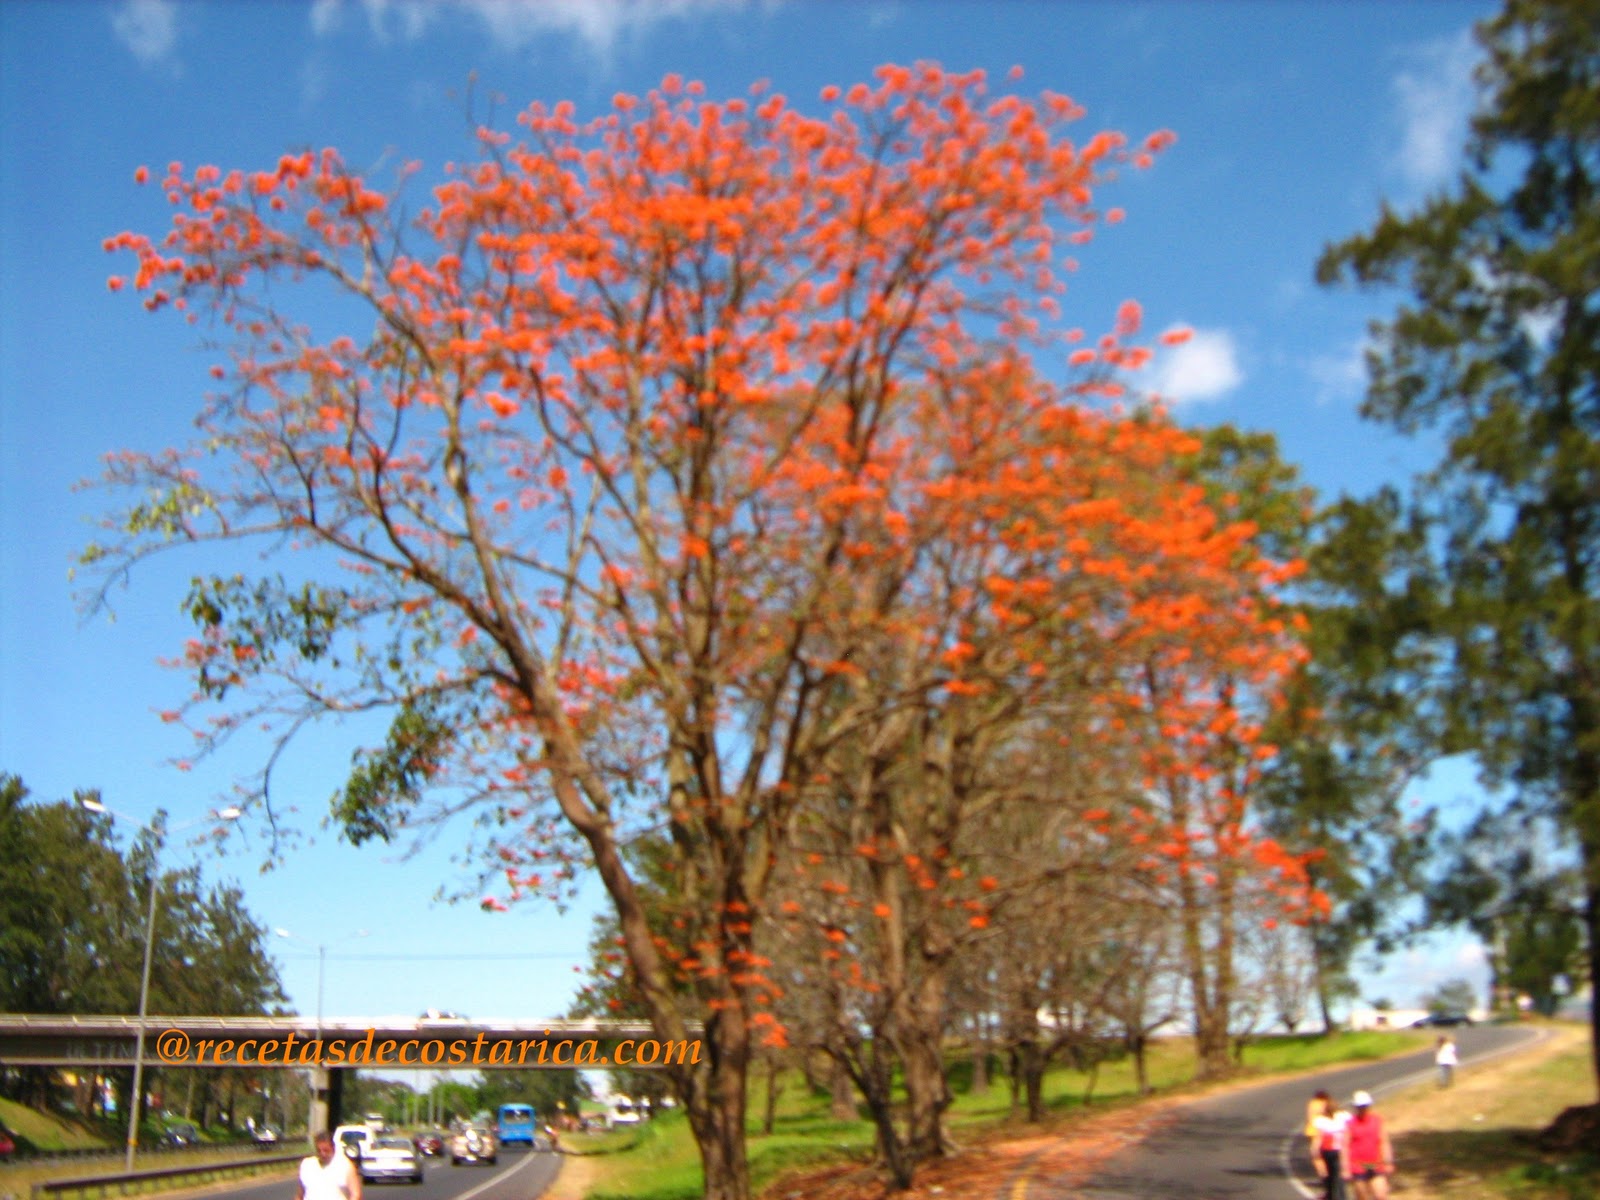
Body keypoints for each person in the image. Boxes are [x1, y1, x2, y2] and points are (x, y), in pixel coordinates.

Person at [1343, 1091, 1395, 1200]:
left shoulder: (1377, 1120)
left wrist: (1388, 1161)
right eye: (1360, 1106)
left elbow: (1384, 1141)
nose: (1362, 1109)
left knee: (1381, 1195)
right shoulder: (1350, 1123)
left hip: (1376, 1164)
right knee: (1362, 1196)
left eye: (1364, 1106)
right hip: (1358, 1165)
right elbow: (1345, 1146)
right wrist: (1345, 1168)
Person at [297, 1132, 363, 1200]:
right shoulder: (307, 1165)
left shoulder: (345, 1165)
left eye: (326, 1150)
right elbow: (300, 1195)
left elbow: (356, 1194)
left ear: (333, 1148)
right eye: (319, 1151)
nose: (323, 1154)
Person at [1308, 1096, 1348, 1200]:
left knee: (1331, 1175)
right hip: (1335, 1151)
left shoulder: (1322, 1120)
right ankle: (1337, 1196)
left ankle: (1333, 1195)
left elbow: (1318, 1137)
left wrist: (1314, 1150)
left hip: (1330, 1151)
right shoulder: (1343, 1117)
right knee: (1336, 1175)